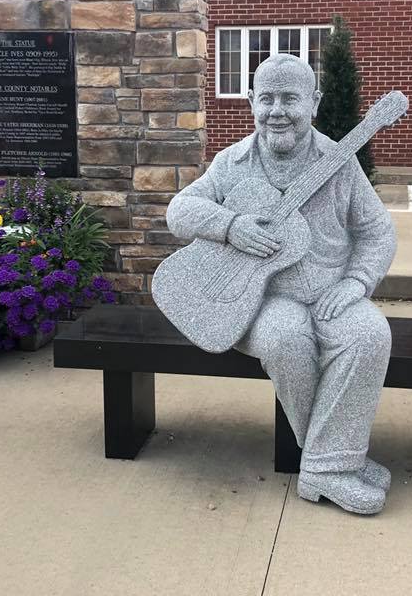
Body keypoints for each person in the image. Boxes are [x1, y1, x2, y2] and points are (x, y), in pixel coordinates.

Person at [165, 54, 397, 514]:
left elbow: (378, 232)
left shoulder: (340, 163)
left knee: (369, 335)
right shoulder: (232, 162)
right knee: (284, 337)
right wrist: (229, 225)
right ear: (250, 101)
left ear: (314, 102)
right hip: (260, 300)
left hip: (331, 293)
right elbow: (179, 212)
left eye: (290, 98)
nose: (277, 111)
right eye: (266, 98)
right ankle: (333, 465)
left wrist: (355, 282)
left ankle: (326, 466)